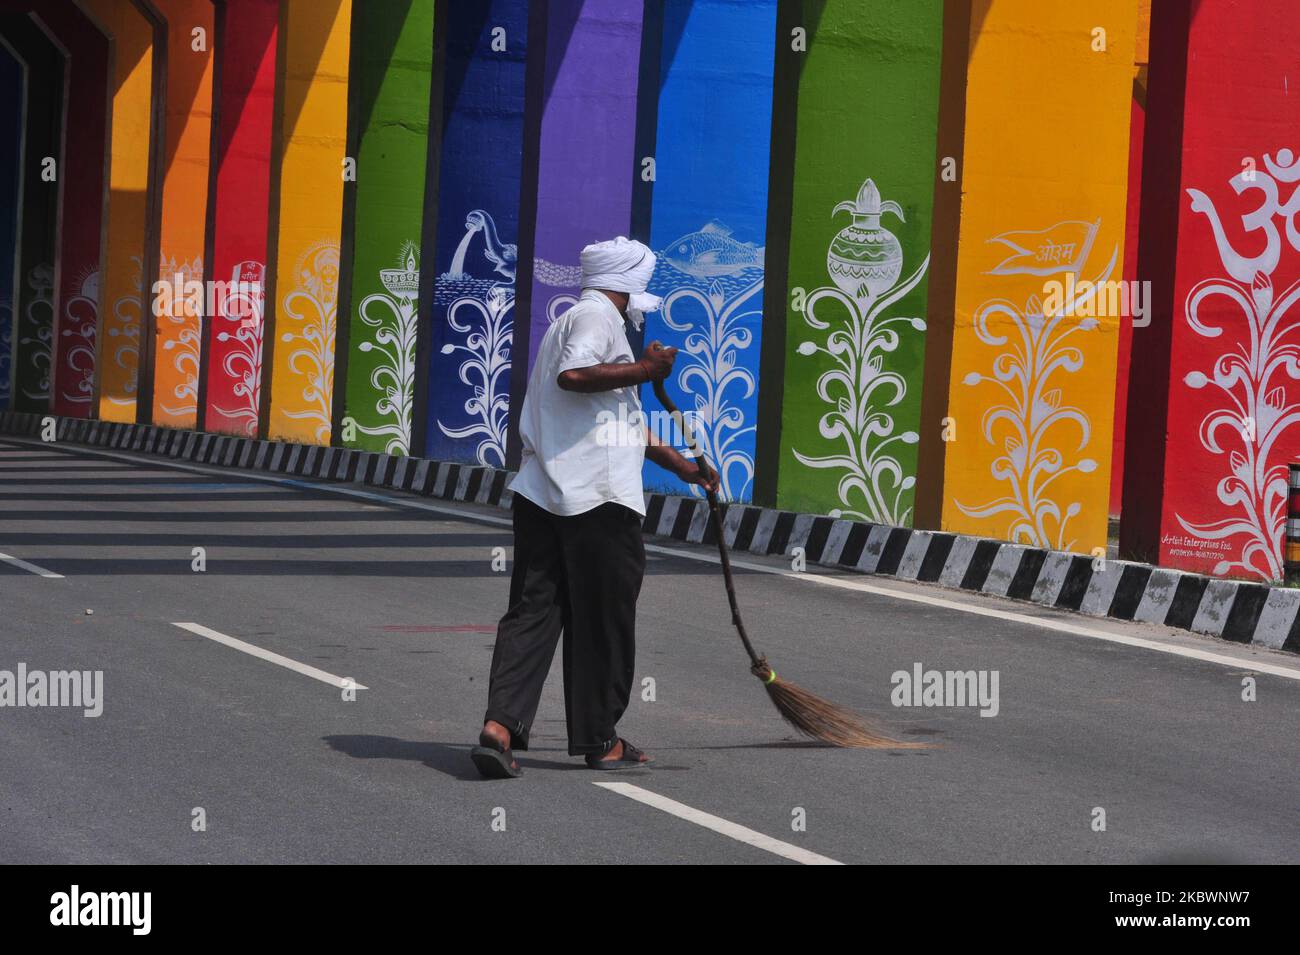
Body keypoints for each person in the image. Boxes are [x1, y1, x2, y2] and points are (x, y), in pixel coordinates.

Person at [470, 237, 718, 779]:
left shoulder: (570, 323)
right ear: (626, 283)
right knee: (605, 622)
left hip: (544, 496)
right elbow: (575, 378)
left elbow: (615, 419)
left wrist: (683, 467)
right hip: (599, 503)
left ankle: (500, 727)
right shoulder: (595, 318)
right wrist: (647, 372)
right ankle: (599, 739)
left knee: (535, 612)